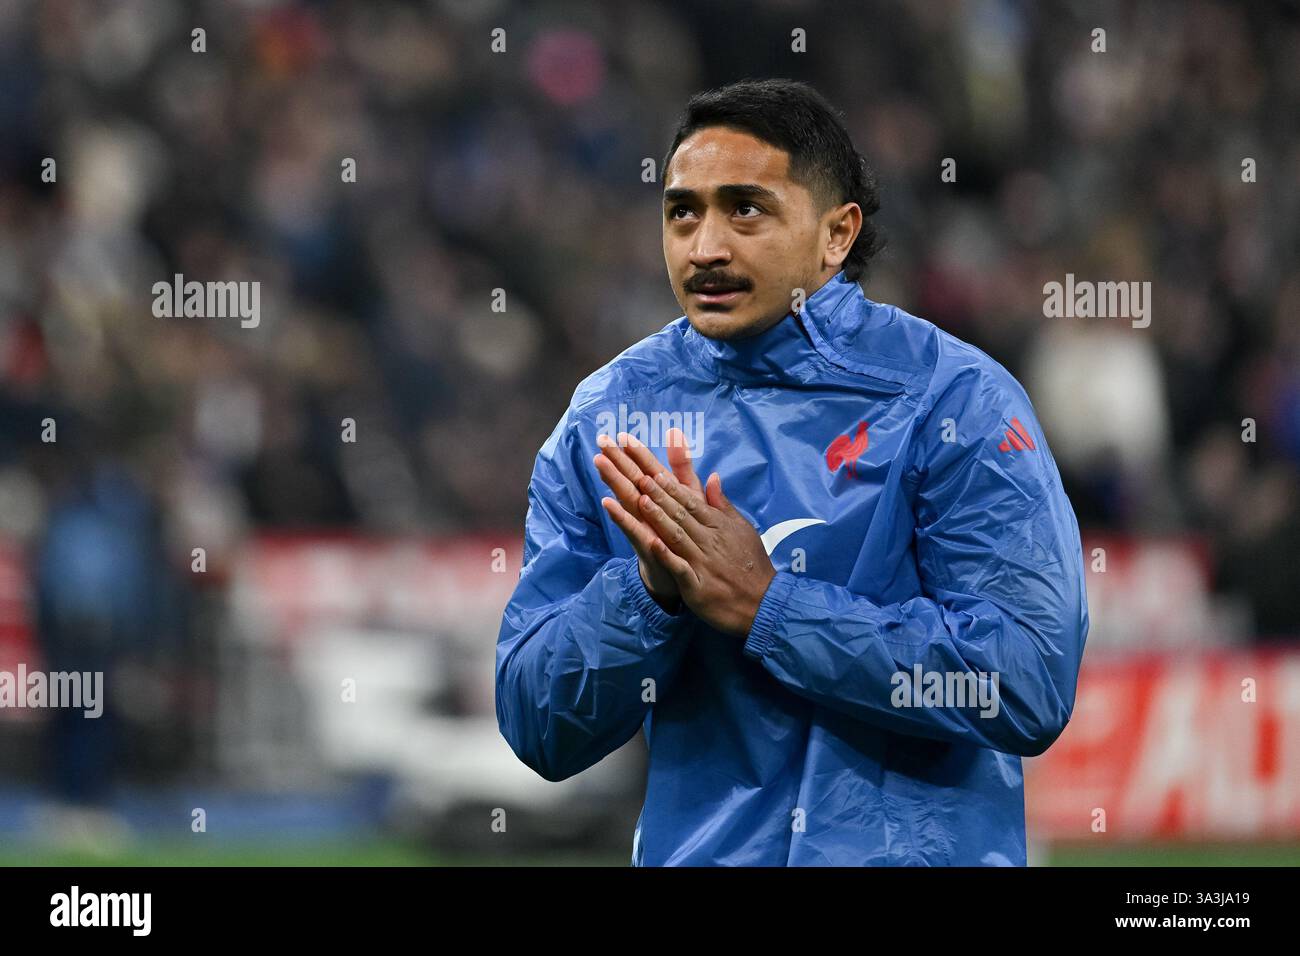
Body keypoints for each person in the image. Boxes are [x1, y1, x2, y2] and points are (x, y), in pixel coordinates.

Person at [495, 78, 1088, 866]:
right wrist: (647, 597)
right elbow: (539, 725)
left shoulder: (954, 401)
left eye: (746, 209)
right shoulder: (609, 417)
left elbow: (1024, 683)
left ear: (836, 234)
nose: (705, 246)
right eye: (683, 212)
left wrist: (772, 607)